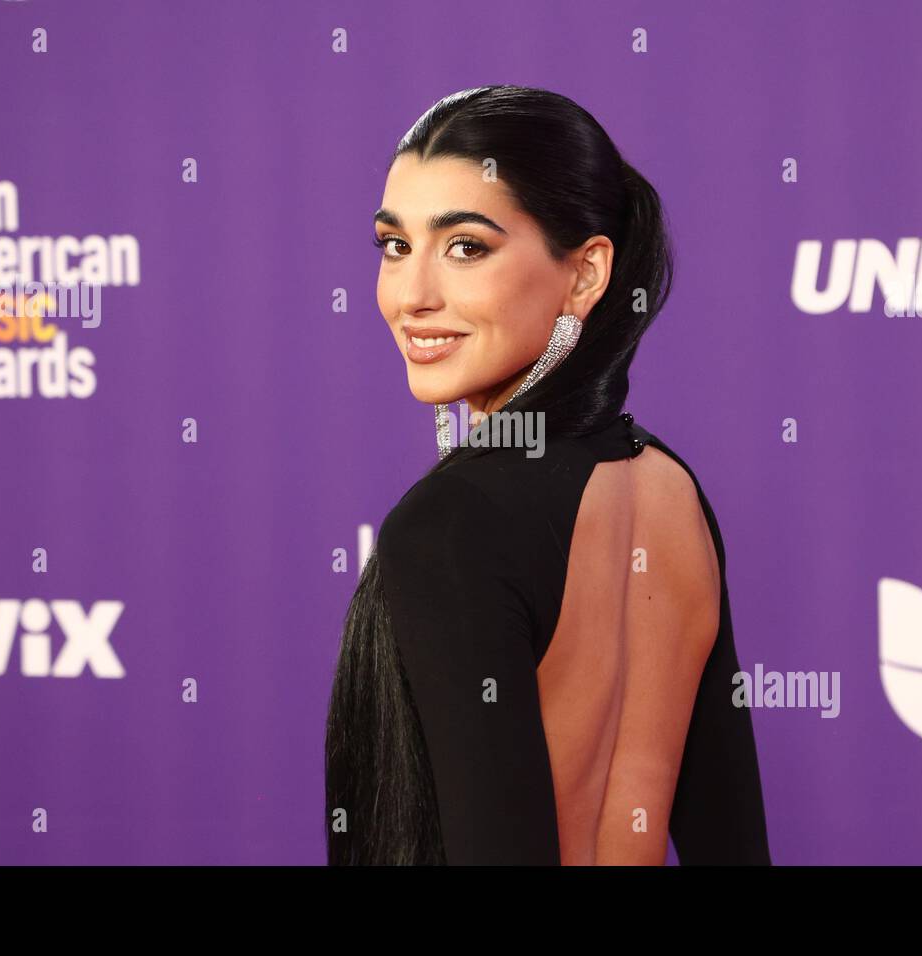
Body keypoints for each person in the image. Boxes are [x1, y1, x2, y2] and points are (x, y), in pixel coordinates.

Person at [325, 85, 771, 865]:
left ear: (585, 274)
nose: (414, 296)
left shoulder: (452, 524)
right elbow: (734, 846)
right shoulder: (671, 489)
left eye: (466, 247)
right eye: (395, 246)